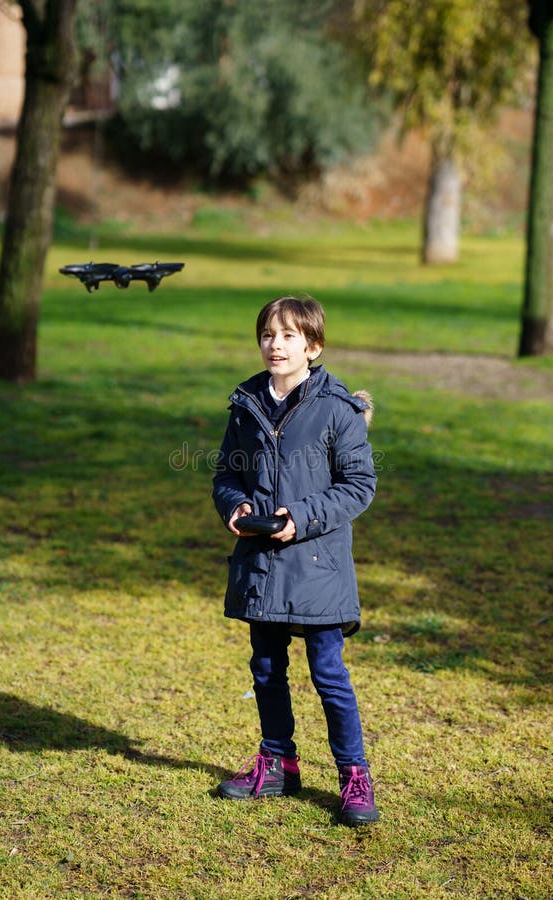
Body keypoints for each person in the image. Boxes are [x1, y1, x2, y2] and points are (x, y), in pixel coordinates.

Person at [212, 295, 378, 826]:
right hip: (260, 563)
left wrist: (299, 517)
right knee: (265, 667)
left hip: (317, 566)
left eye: (287, 336)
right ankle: (278, 762)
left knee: (328, 672)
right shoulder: (246, 403)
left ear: (313, 346)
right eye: (267, 334)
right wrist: (234, 504)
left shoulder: (337, 409)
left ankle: (354, 776)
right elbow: (226, 473)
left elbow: (359, 485)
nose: (274, 344)